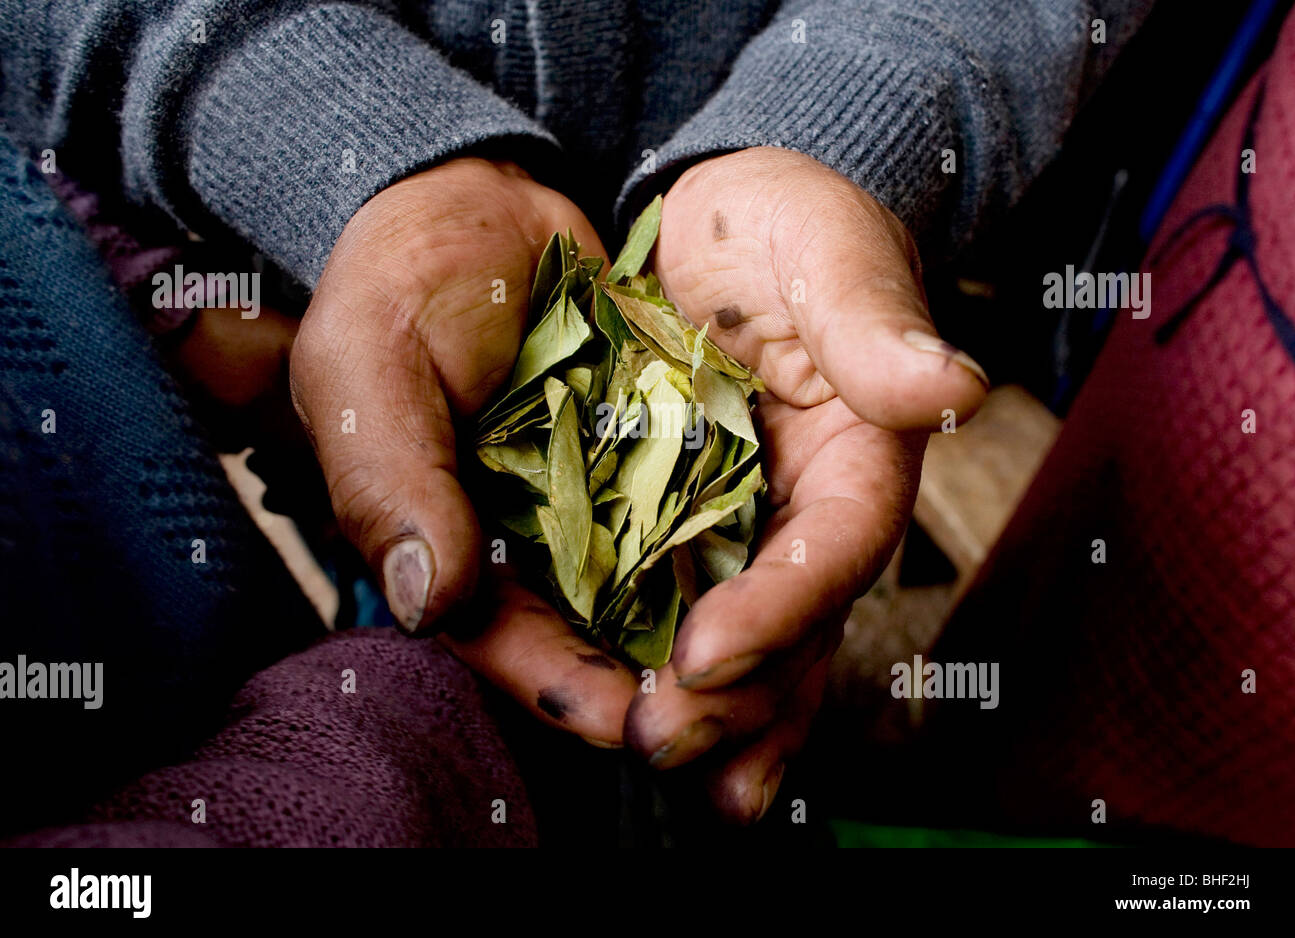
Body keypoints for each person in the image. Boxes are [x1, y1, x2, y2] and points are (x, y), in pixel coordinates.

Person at [0, 0, 1153, 827]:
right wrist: (330, 143)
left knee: (729, 649)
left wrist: (852, 124)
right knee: (421, 550)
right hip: (363, 293)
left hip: (743, 321)